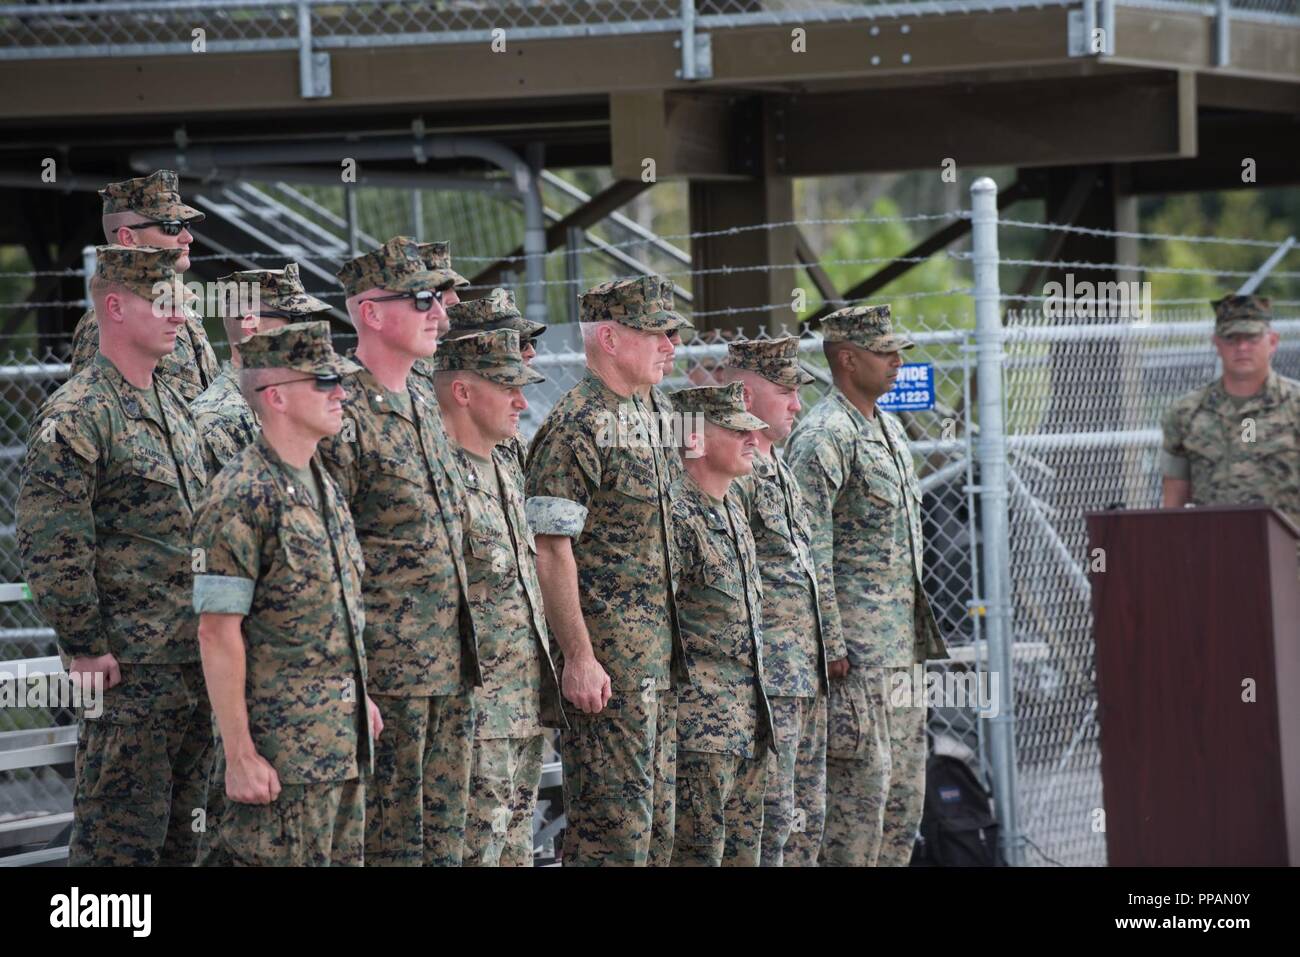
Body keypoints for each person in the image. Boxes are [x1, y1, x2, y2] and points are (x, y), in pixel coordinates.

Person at [17, 245, 212, 865]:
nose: (179, 314)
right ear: (115, 308)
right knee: (117, 845)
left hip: (192, 661)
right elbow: (52, 540)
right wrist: (86, 644)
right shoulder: (79, 415)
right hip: (128, 670)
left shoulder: (175, 409)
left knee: (188, 839)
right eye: (163, 301)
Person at [317, 236, 479, 867]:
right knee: (389, 848)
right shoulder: (341, 411)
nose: (440, 311)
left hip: (447, 669)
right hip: (387, 679)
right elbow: (330, 558)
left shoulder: (423, 402)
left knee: (445, 845)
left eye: (441, 298)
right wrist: (352, 681)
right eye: (422, 300)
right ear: (371, 313)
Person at [192, 322, 380, 866]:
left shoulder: (321, 483)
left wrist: (356, 697)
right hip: (283, 761)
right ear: (276, 396)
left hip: (339, 748)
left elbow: (330, 613)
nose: (340, 392)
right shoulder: (241, 496)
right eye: (323, 382)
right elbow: (216, 632)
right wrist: (240, 755)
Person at [525, 274, 685, 866]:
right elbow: (551, 550)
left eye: (673, 333)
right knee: (613, 839)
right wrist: (580, 656)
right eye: (656, 333)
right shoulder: (577, 425)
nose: (671, 345)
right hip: (612, 671)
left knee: (660, 834)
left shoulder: (656, 414)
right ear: (611, 339)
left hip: (664, 663)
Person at [787, 304, 948, 867]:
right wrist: (831, 643)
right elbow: (807, 549)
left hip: (900, 654)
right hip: (855, 661)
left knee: (901, 808)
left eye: (897, 350)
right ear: (847, 359)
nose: (898, 361)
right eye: (885, 352)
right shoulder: (824, 436)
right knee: (856, 814)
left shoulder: (886, 427)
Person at [432, 328, 564, 866]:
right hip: (475, 717)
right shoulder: (440, 477)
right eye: (507, 386)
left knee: (516, 853)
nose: (522, 401)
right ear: (463, 392)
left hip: (521, 704)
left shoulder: (502, 467)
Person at [718, 336, 834, 866]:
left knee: (804, 819)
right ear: (744, 392)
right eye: (785, 391)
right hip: (766, 682)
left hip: (803, 675)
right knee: (768, 823)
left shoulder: (778, 467)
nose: (796, 404)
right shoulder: (730, 472)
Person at [667, 383, 775, 866]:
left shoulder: (732, 505)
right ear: (694, 440)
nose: (753, 438)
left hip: (749, 722)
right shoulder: (674, 515)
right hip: (700, 734)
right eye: (735, 430)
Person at [68, 170, 219, 399]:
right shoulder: (108, 323)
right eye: (171, 227)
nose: (188, 238)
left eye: (186, 225)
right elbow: (101, 417)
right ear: (128, 238)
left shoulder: (181, 312)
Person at [1160, 294, 1300, 532]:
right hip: (1215, 556)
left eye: (1252, 338)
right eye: (1231, 338)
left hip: (1289, 558)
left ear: (1273, 342)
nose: (1242, 347)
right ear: (1217, 343)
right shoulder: (1187, 413)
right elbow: (1173, 503)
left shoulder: (1295, 406)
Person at [191, 262, 330, 473]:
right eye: (297, 319)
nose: (307, 331)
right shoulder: (216, 419)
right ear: (252, 327)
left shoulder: (297, 402)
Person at [441, 287, 546, 480]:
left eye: (531, 341)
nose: (531, 352)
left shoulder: (504, 428)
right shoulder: (448, 430)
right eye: (519, 341)